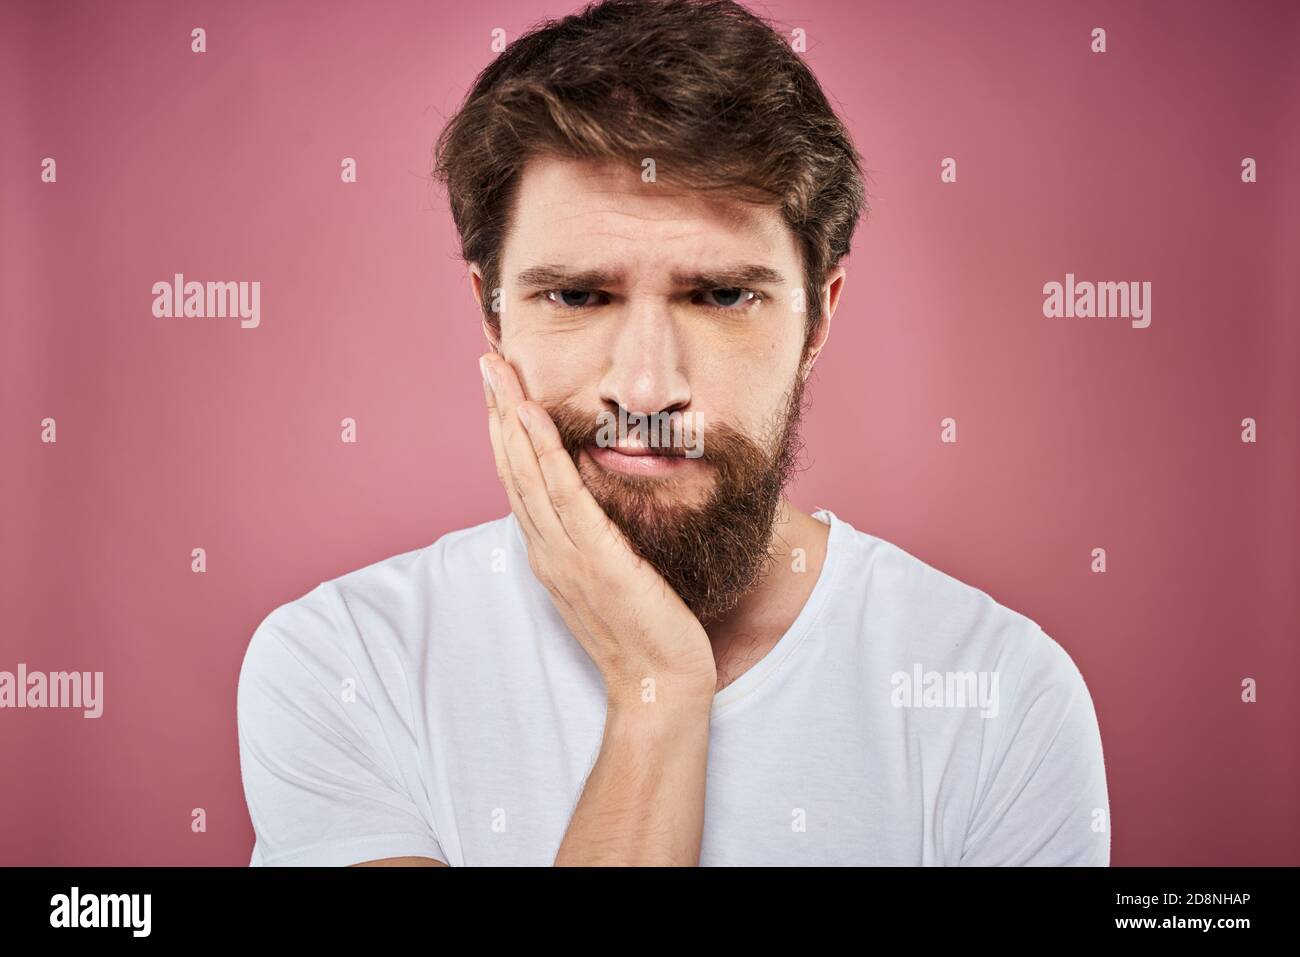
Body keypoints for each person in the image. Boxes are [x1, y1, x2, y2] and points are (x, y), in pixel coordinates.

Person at [237, 0, 1109, 866]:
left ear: (817, 321)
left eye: (723, 296)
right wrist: (658, 695)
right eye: (578, 296)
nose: (649, 388)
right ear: (492, 316)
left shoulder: (1002, 699)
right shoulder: (344, 665)